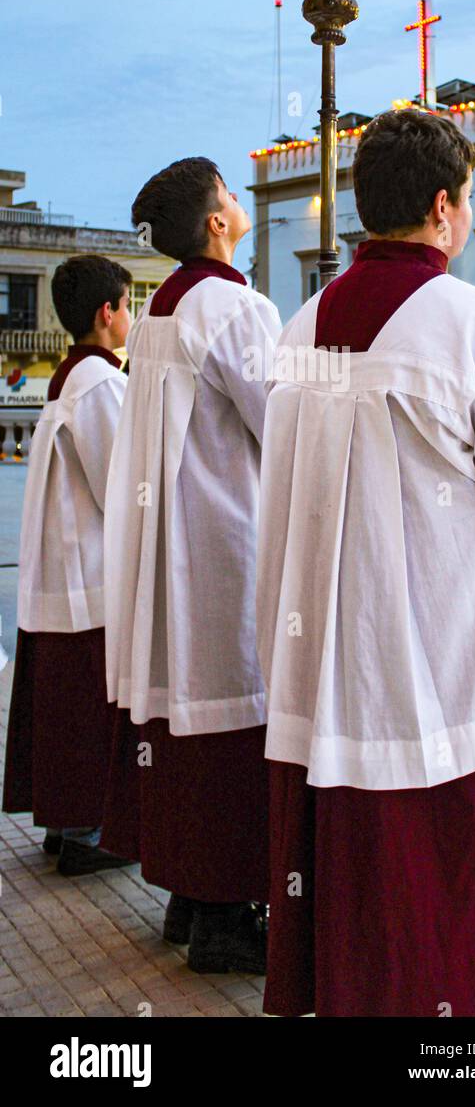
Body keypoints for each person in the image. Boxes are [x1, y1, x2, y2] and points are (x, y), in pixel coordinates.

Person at [256, 107, 475, 1018]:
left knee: (350, 884)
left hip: (323, 662)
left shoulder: (298, 330)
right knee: (444, 894)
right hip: (442, 670)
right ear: (444, 206)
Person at [100, 157, 282, 974]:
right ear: (215, 222)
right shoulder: (237, 307)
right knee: (235, 734)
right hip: (227, 547)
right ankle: (224, 919)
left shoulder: (155, 317)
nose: (240, 206)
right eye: (232, 197)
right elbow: (280, 422)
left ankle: (187, 896)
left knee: (184, 731)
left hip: (171, 549)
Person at [2, 255, 132, 875]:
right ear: (107, 313)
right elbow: (120, 482)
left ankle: (64, 823)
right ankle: (86, 831)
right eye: (129, 306)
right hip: (93, 573)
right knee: (88, 706)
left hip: (64, 568)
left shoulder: (68, 376)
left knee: (65, 702)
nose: (130, 317)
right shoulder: (101, 384)